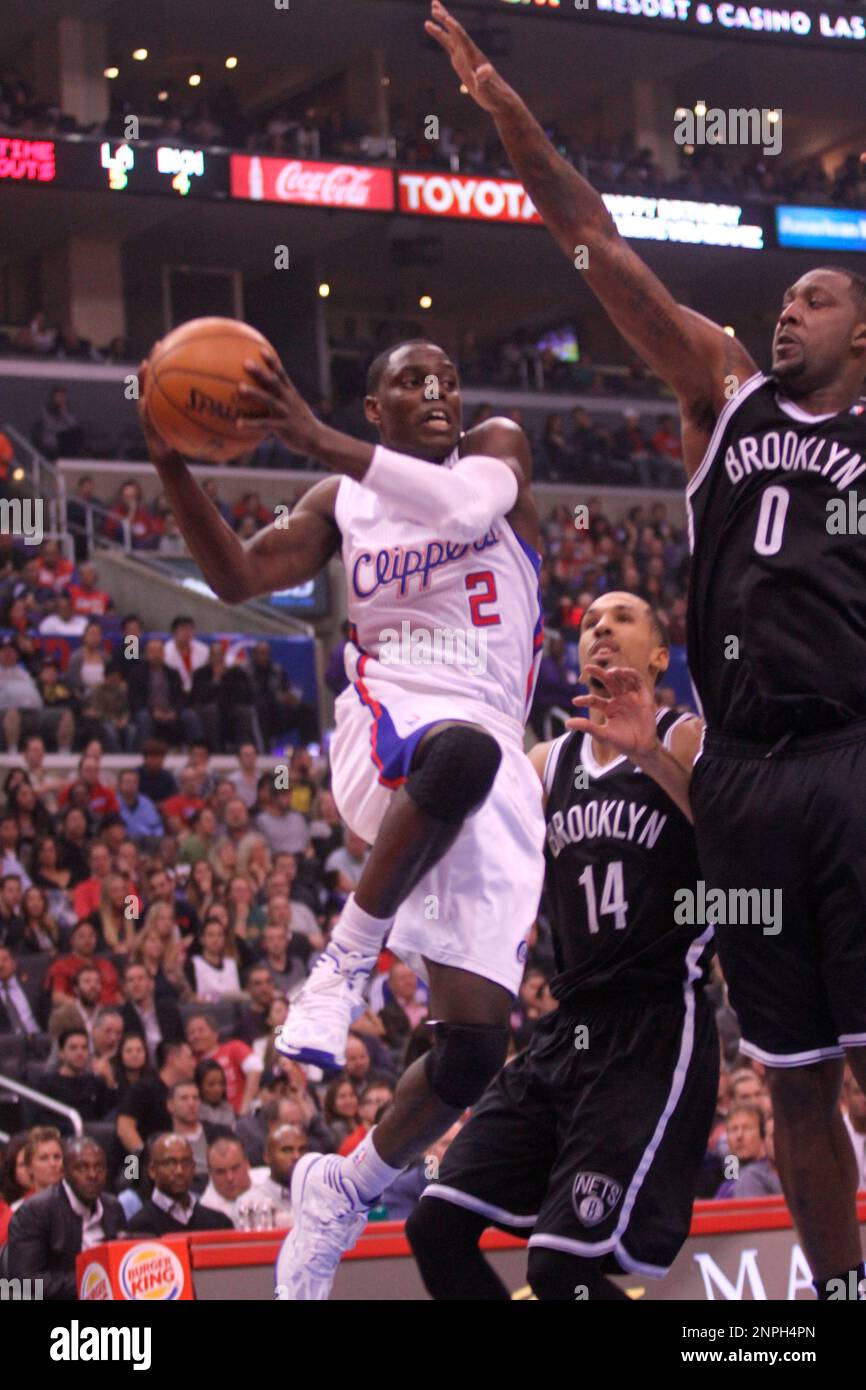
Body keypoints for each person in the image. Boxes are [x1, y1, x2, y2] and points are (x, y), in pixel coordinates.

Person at [429, 0, 866, 1303]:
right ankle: (838, 1293)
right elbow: (594, 241)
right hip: (738, 767)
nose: (786, 312)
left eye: (817, 295)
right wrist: (506, 113)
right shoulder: (719, 392)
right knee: (789, 1072)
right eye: (782, 295)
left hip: (847, 748)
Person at [142, 330, 546, 1301]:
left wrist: (311, 434)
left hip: (494, 759)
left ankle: (343, 1186)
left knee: (472, 1047)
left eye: (446, 375)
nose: (437, 390)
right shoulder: (340, 502)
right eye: (411, 380)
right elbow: (240, 577)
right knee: (455, 749)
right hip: (388, 722)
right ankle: (341, 962)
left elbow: (462, 502)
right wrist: (168, 460)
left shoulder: (494, 449)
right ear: (376, 407)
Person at [408, 589, 718, 1301]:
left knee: (560, 1269)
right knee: (433, 1225)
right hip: (566, 1029)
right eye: (588, 623)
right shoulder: (548, 759)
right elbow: (480, 854)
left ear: (659, 655)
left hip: (654, 1025)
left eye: (622, 617)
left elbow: (739, 843)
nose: (600, 628)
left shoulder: (686, 739)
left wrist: (652, 756)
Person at [6, 1137, 123, 1299]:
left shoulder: (113, 1208)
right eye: (82, 1168)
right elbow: (22, 1284)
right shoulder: (35, 1212)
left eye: (99, 1167)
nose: (92, 1175)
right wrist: (90, 1281)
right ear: (65, 1171)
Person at [123, 1133, 234, 1235]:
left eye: (186, 1162)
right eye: (170, 1163)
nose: (179, 1171)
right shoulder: (140, 1227)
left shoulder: (219, 1223)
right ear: (152, 1170)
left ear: (194, 1167)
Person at [116, 1038, 196, 1158]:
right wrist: (146, 1158)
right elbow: (125, 1129)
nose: (194, 1063)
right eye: (189, 1057)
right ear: (172, 1059)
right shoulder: (143, 1089)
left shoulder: (187, 1092)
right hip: (132, 1164)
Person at [36, 1028, 113, 1134]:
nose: (80, 1053)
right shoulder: (46, 1083)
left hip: (95, 1139)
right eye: (73, 1048)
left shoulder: (96, 1083)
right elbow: (43, 1121)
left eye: (84, 1048)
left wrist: (109, 1081)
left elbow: (107, 1116)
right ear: (61, 1053)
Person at [243, 1124, 307, 1229]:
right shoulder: (251, 1202)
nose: (297, 1156)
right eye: (287, 1150)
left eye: (302, 1149)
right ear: (267, 1156)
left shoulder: (318, 1197)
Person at [120, 960, 184, 1063]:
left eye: (140, 979)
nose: (135, 984)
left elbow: (181, 1042)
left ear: (151, 984)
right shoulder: (122, 1016)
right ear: (126, 987)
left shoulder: (169, 1010)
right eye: (130, 980)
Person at [715, 1104, 783, 1199]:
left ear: (762, 1133)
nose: (739, 1135)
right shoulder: (728, 1184)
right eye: (733, 1129)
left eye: (747, 1128)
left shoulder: (756, 1176)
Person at [200, 1135, 255, 1225]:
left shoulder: (268, 1179)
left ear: (247, 1164)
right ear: (210, 1174)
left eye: (235, 1168)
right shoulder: (206, 1211)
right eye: (221, 1172)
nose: (230, 1178)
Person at [338, 1081, 395, 1158]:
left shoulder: (398, 1139)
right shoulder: (353, 1146)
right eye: (378, 1101)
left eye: (388, 1102)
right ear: (361, 1110)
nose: (384, 1107)